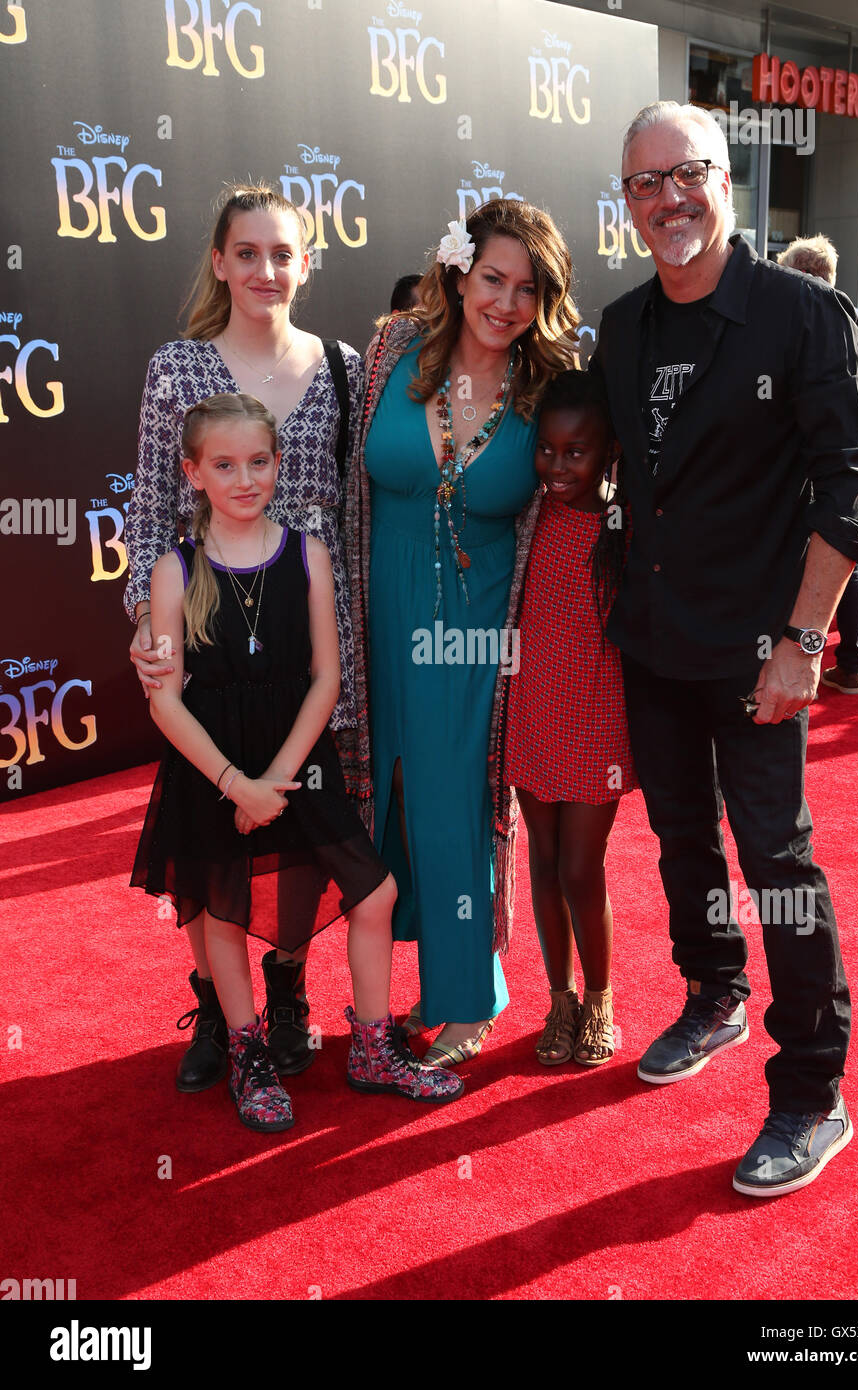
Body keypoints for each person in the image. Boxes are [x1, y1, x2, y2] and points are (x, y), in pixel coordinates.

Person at [590, 101, 858, 1197]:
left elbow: (847, 488)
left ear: (725, 178)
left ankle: (810, 1089)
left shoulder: (801, 315)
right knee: (678, 841)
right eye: (643, 184)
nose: (667, 199)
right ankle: (711, 991)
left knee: (779, 865)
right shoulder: (620, 328)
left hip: (763, 649)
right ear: (625, 203)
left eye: (686, 174)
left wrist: (803, 641)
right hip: (656, 641)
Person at [131, 394, 463, 1129]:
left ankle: (373, 1049)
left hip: (298, 762)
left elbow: (327, 678)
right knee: (222, 911)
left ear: (280, 463)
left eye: (258, 461)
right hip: (212, 768)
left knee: (372, 894)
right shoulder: (173, 571)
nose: (245, 478)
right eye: (224, 464)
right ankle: (248, 1054)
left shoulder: (308, 553)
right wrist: (234, 784)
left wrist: (275, 779)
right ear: (193, 473)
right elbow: (166, 701)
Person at [124, 184, 361, 1091]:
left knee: (301, 819)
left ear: (307, 263)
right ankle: (222, 1013)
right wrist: (151, 630)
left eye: (284, 253)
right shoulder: (177, 369)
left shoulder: (341, 366)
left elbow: (356, 507)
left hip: (311, 619)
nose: (267, 269)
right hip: (211, 628)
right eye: (248, 253)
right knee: (209, 816)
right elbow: (150, 507)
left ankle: (290, 987)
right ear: (220, 262)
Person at [341, 200, 579, 1067]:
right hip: (377, 612)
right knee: (386, 800)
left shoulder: (549, 387)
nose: (507, 303)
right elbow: (344, 477)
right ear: (458, 272)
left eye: (527, 288)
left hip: (476, 629)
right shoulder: (393, 350)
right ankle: (408, 984)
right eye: (493, 279)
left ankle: (469, 1000)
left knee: (454, 803)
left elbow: (577, 506)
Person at [502, 370, 636, 1066]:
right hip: (532, 709)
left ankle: (602, 996)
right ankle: (560, 1000)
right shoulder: (529, 516)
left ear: (609, 450)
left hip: (598, 716)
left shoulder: (625, 528)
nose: (558, 466)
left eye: (576, 452)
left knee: (584, 867)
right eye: (548, 451)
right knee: (546, 863)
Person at [776, 235, 858, 695]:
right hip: (850, 458)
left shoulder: (810, 326)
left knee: (825, 553)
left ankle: (806, 656)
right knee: (847, 560)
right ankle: (851, 658)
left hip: (819, 466)